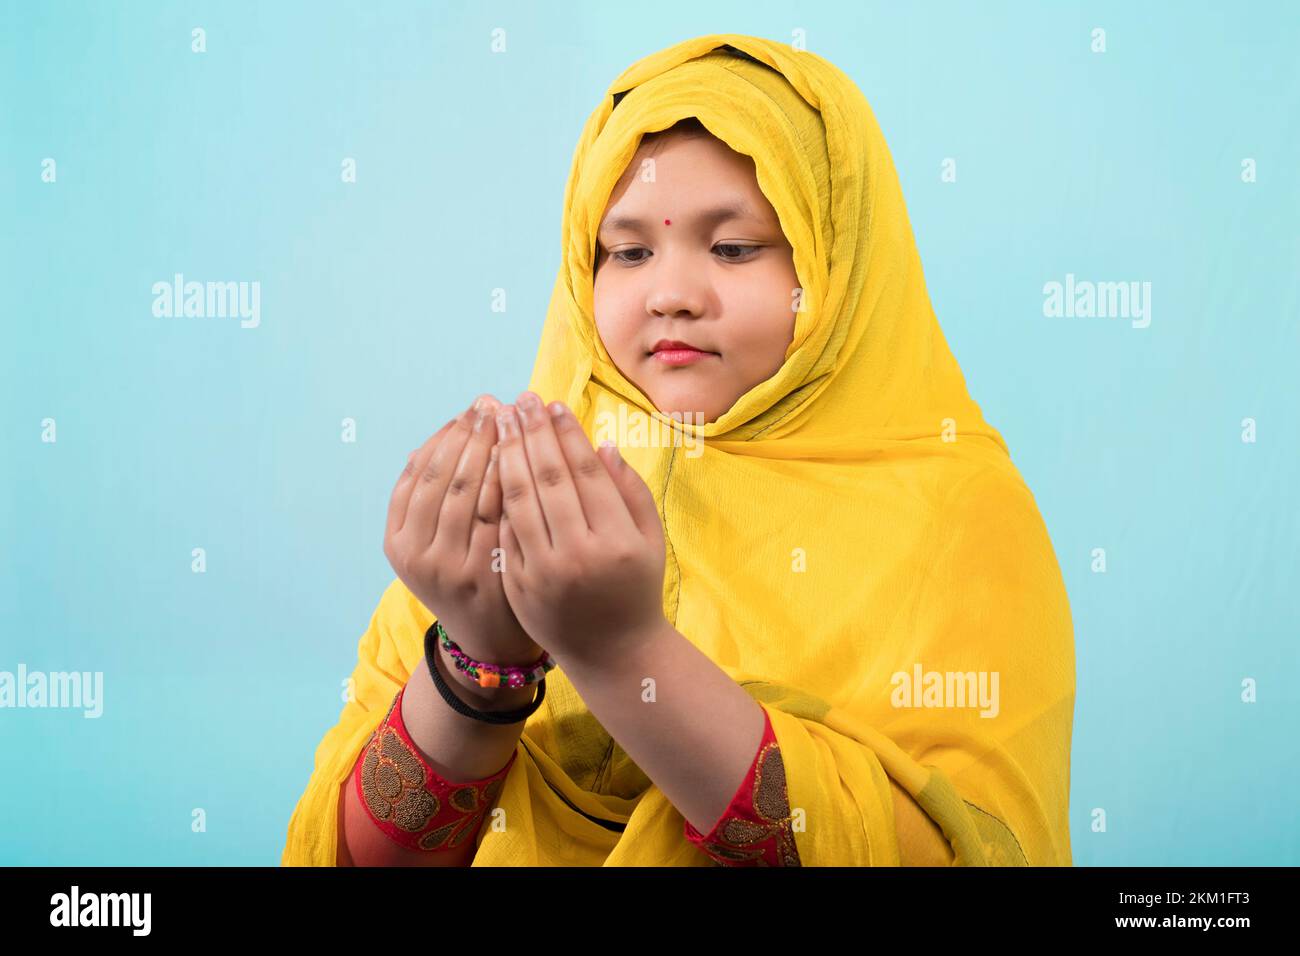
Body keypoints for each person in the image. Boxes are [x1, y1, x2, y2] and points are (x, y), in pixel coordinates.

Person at [282, 33, 1075, 867]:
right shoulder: (525, 501)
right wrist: (477, 663)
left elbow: (974, 851)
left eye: (734, 248)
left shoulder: (958, 515)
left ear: (839, 264)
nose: (671, 295)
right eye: (627, 252)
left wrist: (623, 652)